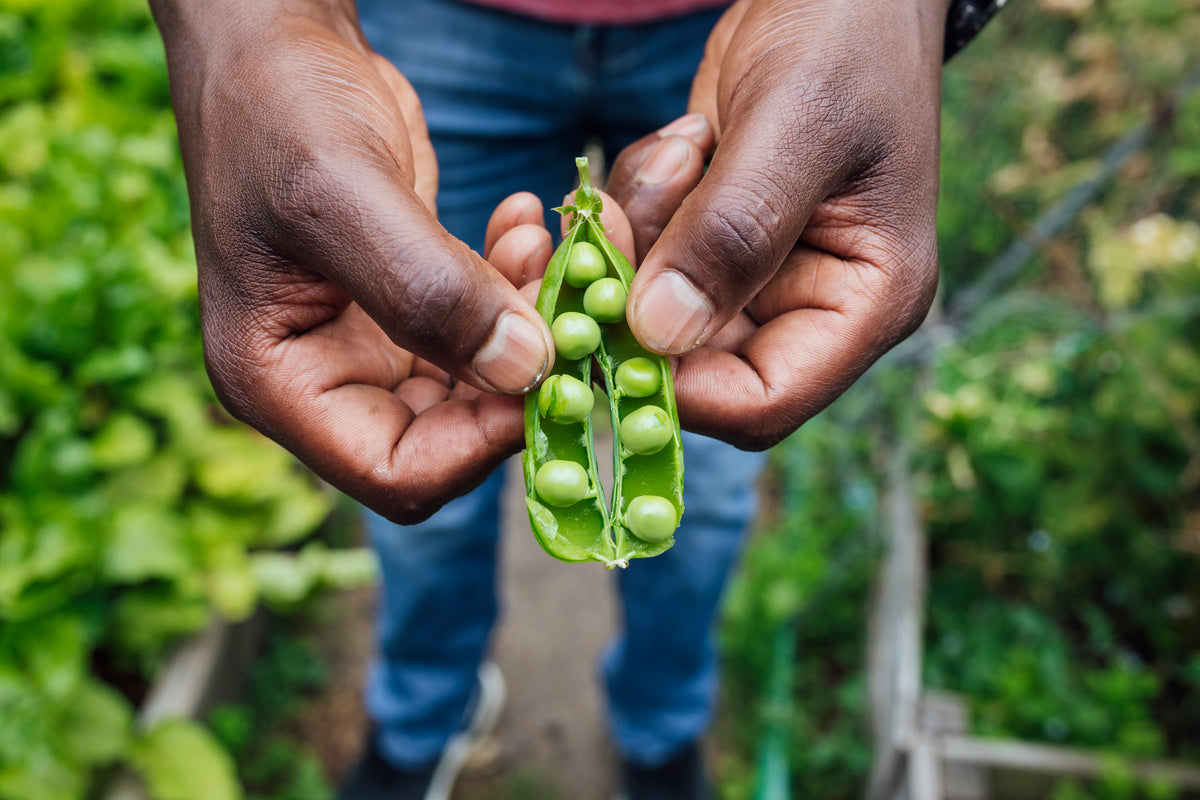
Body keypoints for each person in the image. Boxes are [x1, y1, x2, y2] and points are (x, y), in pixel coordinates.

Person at [148, 0, 1001, 797]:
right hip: (439, 21)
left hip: (743, 21)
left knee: (701, 486)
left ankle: (660, 731)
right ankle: (420, 723)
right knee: (420, 416)